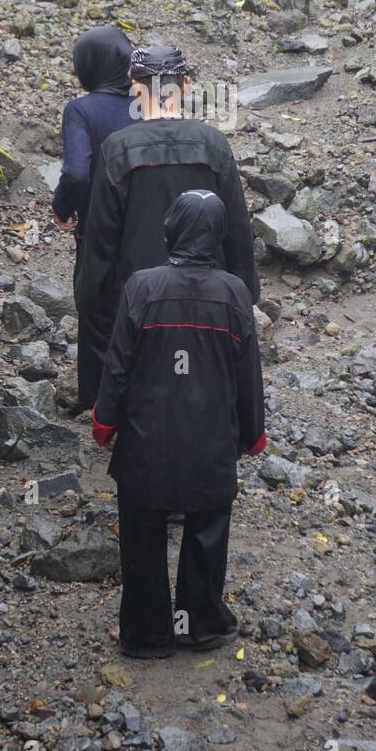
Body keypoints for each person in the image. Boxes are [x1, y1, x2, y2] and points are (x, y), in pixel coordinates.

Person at [92, 189, 265, 658]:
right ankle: (201, 625)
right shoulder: (234, 294)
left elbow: (118, 365)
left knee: (143, 539)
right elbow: (248, 377)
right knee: (207, 531)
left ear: (171, 229)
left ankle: (148, 635)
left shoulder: (141, 288)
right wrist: (253, 434)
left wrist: (104, 421)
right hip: (210, 446)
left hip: (147, 446)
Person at [76, 45, 258, 401]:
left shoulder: (118, 149)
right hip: (207, 295)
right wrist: (245, 292)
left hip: (138, 299)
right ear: (186, 86)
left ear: (135, 87)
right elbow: (237, 230)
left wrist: (90, 299)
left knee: (143, 389)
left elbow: (101, 240)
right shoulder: (214, 145)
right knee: (198, 381)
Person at [51, 26, 134, 410]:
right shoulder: (146, 106)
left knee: (96, 311)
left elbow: (76, 173)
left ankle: (99, 404)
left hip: (100, 227)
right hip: (151, 224)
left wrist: (64, 208)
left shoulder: (81, 110)